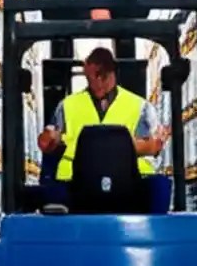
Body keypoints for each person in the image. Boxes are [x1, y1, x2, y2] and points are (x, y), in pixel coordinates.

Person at [37, 47, 170, 181]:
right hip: (74, 183)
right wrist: (49, 140)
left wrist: (110, 149)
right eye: (90, 78)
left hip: (127, 183)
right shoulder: (67, 105)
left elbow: (153, 146)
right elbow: (49, 140)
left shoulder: (141, 107)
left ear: (112, 73)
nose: (96, 82)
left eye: (102, 76)